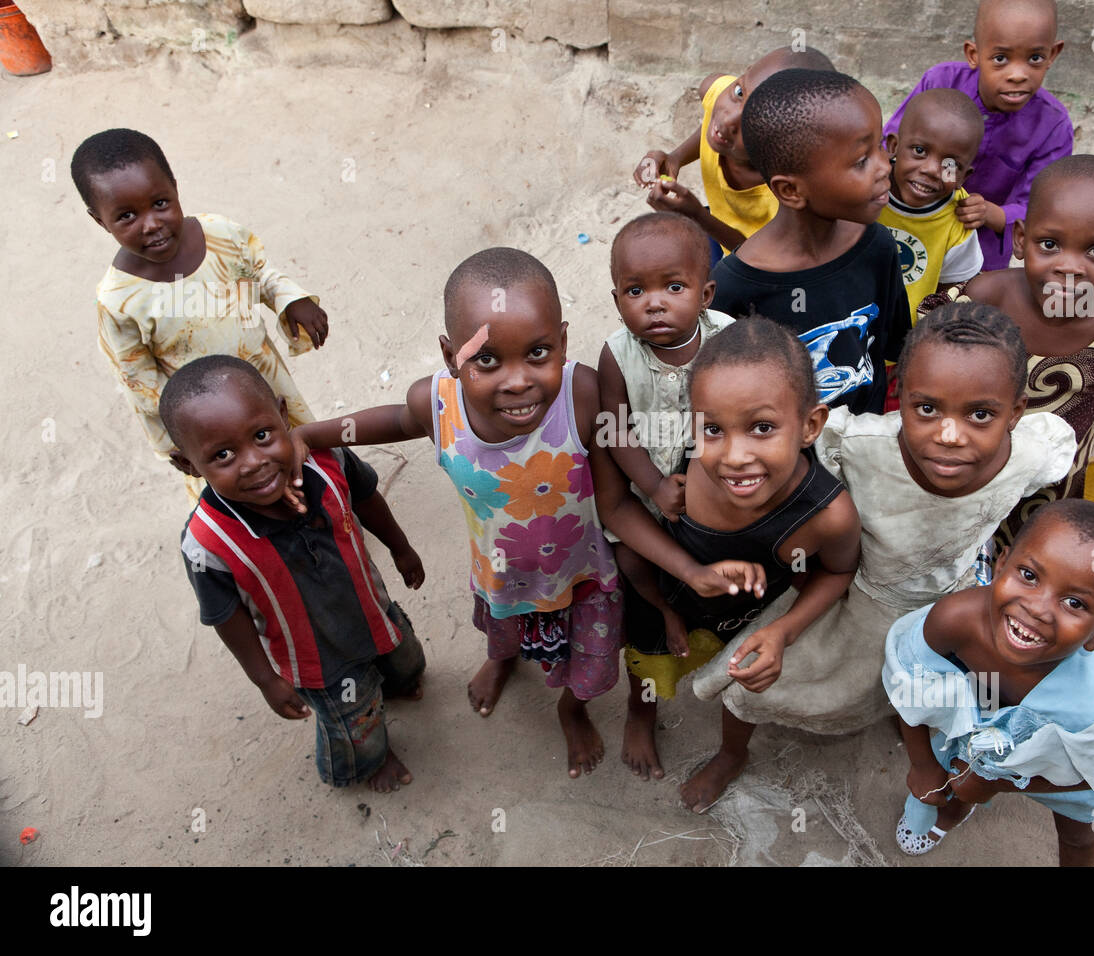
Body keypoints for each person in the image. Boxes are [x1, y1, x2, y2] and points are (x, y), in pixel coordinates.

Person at [289, 248, 761, 778]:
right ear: (451, 356)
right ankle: (503, 658)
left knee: (583, 667)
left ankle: (571, 709)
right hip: (502, 572)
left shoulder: (581, 397)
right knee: (504, 630)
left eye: (538, 353)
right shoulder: (438, 405)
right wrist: (309, 434)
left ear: (562, 342)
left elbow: (616, 503)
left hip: (582, 576)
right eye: (486, 360)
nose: (517, 381)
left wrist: (689, 567)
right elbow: (394, 420)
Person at [695, 302, 1075, 735]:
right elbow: (782, 451)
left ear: (1016, 413)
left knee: (918, 687)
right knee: (768, 681)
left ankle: (904, 716)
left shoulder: (1033, 453)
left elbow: (1051, 463)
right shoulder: (859, 448)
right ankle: (733, 750)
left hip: (954, 596)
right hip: (865, 601)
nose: (949, 436)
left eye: (980, 415)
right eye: (927, 409)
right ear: (902, 393)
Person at [620, 318, 860, 804]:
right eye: (713, 429)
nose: (734, 455)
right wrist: (674, 595)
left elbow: (838, 572)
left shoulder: (828, 515)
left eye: (763, 428)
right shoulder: (684, 464)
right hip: (665, 592)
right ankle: (641, 711)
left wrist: (782, 631)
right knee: (646, 658)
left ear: (811, 425)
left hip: (746, 618)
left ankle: (732, 753)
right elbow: (625, 523)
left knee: (741, 687)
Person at [165, 356, 426, 792]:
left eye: (262, 435)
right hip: (320, 661)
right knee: (354, 722)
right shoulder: (208, 544)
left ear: (284, 417)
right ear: (188, 464)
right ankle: (368, 761)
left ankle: (399, 686)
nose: (252, 462)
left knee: (404, 658)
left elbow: (367, 499)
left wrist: (401, 548)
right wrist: (266, 678)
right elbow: (225, 617)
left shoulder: (329, 461)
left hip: (374, 609)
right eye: (222, 455)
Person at [919, 154, 1094, 548]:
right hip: (973, 461)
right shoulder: (984, 299)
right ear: (1020, 239)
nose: (1069, 267)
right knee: (958, 546)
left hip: (1058, 476)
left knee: (1036, 548)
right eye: (1049, 244)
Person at [884, 499, 1094, 866]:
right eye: (1028, 575)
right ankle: (951, 812)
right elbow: (907, 688)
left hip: (1067, 755)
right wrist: (923, 763)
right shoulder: (954, 621)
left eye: (1074, 602)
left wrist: (1001, 783)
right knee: (961, 774)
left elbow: (1093, 776)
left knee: (1079, 833)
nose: (1037, 609)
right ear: (1001, 564)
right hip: (986, 708)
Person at [73, 128, 328, 502]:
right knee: (242, 491)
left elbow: (258, 271)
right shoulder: (119, 302)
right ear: (100, 220)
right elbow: (137, 380)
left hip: (265, 386)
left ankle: (329, 512)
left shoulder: (221, 235)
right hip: (205, 422)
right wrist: (175, 437)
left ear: (174, 186)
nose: (151, 223)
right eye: (126, 215)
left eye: (160, 203)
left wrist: (291, 299)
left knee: (299, 454)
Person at [595, 212, 735, 753]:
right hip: (646, 494)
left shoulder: (727, 340)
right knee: (632, 563)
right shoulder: (618, 354)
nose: (654, 302)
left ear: (705, 292)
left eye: (673, 287)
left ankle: (722, 673)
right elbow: (615, 429)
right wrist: (653, 486)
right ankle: (663, 619)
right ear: (616, 299)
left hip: (716, 490)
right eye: (636, 290)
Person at [709, 68, 912, 416]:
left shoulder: (877, 246)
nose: (884, 168)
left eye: (880, 146)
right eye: (862, 160)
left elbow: (896, 348)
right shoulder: (733, 287)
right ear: (791, 190)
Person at [883, 0, 1072, 269]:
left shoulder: (1053, 125)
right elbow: (889, 145)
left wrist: (993, 214)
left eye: (1035, 58)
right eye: (1000, 58)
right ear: (973, 53)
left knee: (963, 308)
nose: (1017, 75)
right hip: (905, 226)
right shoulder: (940, 83)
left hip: (980, 253)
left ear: (1053, 54)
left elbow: (1043, 207)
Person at [633, 46, 835, 257]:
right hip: (713, 224)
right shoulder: (719, 93)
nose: (728, 119)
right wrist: (676, 157)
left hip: (751, 259)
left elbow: (760, 259)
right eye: (740, 92)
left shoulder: (786, 198)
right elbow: (712, 122)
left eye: (757, 122)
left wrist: (697, 217)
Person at [879, 88, 985, 322]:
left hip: (907, 341)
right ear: (893, 146)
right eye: (919, 151)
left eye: (950, 165)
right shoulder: (866, 187)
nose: (930, 170)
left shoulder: (959, 217)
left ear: (963, 177)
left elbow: (954, 288)